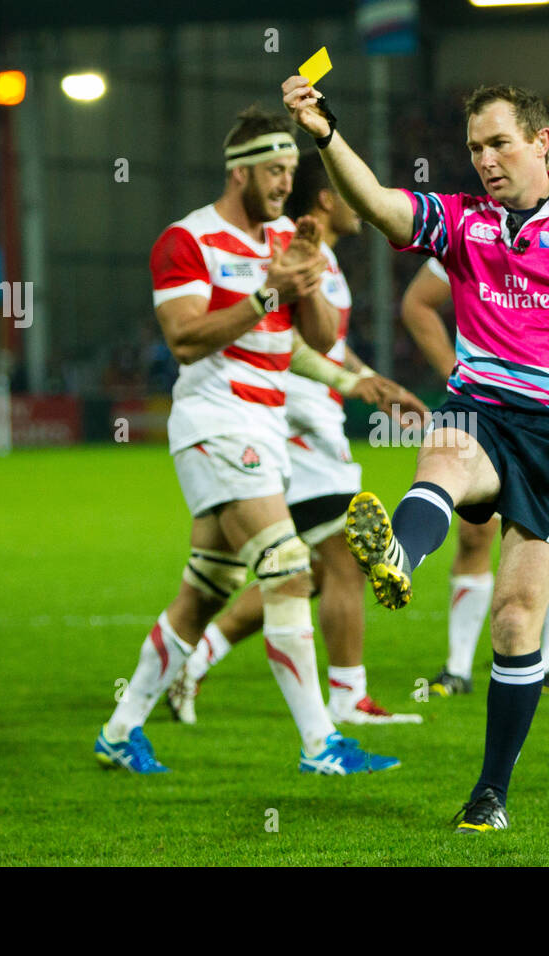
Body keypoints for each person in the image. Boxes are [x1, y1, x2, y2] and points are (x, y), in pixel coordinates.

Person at [281, 78, 549, 830]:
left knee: (517, 622)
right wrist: (326, 136)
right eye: (474, 149)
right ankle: (398, 553)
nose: (485, 160)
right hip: (483, 407)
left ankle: (490, 794)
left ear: (540, 143)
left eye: (497, 144)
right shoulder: (463, 223)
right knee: (448, 450)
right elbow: (382, 205)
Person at [94, 108, 398, 775]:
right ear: (240, 171)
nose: (286, 182)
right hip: (215, 423)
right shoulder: (187, 240)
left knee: (204, 592)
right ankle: (321, 745)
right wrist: (268, 293)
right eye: (274, 170)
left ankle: (120, 731)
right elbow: (184, 336)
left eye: (292, 169)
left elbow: (311, 340)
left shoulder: (288, 236)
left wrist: (306, 273)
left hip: (265, 430)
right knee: (291, 570)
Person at [167, 151, 428, 727]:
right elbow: (285, 345)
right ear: (329, 200)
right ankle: (345, 701)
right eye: (352, 193)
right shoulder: (300, 258)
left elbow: (326, 346)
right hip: (296, 424)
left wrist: (367, 381)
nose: (366, 201)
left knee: (297, 573)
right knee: (342, 559)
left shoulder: (321, 258)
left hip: (311, 420)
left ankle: (190, 660)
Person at [400, 144, 549, 698]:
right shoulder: (476, 231)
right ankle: (457, 667)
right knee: (474, 536)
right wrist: (457, 369)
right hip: (487, 410)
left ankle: (547, 665)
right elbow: (417, 304)